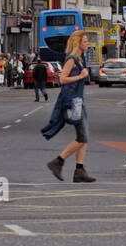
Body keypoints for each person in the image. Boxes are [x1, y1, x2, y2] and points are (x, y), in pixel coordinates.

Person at [41, 29, 96, 182]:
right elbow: (62, 79)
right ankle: (58, 161)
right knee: (83, 137)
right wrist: (81, 76)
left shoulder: (80, 58)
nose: (87, 43)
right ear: (78, 43)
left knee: (83, 137)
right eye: (85, 41)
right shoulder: (71, 59)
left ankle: (79, 170)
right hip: (72, 103)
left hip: (78, 101)